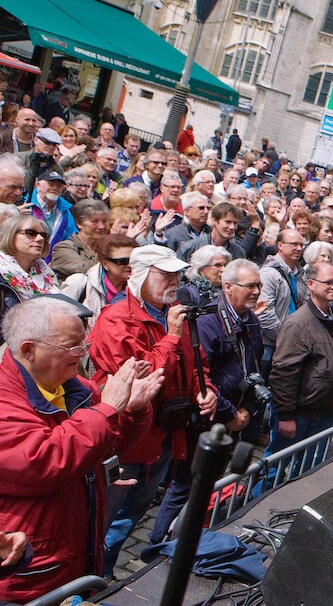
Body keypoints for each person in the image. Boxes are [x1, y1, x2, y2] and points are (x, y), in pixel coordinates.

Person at [0, 297, 163, 602]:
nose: (83, 353)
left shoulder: (79, 388)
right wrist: (107, 410)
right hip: (31, 569)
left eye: (83, 343)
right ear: (29, 350)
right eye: (72, 346)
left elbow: (106, 447)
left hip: (76, 547)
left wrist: (131, 411)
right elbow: (43, 462)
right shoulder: (4, 403)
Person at [86, 245, 218, 575]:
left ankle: (105, 571)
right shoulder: (116, 318)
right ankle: (93, 576)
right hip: (128, 438)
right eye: (165, 274)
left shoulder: (173, 312)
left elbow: (196, 362)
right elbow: (139, 378)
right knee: (108, 517)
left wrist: (206, 390)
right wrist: (171, 337)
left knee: (134, 511)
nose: (174, 282)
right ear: (140, 274)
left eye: (177, 275)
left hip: (164, 433)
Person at [148, 259, 264, 544]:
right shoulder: (206, 322)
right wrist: (230, 414)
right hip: (206, 420)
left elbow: (255, 368)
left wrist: (248, 410)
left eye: (259, 285)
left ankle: (189, 536)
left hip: (234, 417)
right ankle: (158, 543)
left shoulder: (250, 319)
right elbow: (199, 378)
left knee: (209, 483)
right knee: (185, 486)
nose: (256, 291)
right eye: (250, 286)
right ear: (228, 286)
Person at [264, 262, 333, 475]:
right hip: (299, 414)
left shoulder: (332, 317)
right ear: (311, 284)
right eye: (328, 282)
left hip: (323, 412)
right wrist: (286, 416)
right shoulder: (298, 324)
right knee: (275, 468)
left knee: (307, 471)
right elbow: (283, 373)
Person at [61, 234, 137, 328]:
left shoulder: (140, 288)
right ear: (105, 263)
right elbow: (60, 320)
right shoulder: (79, 283)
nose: (130, 265)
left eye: (134, 260)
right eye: (122, 261)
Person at [258, 229, 307, 374]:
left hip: (294, 343)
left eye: (301, 245)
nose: (299, 248)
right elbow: (264, 313)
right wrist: (285, 338)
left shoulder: (301, 274)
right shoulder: (267, 273)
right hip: (270, 345)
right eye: (294, 244)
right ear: (280, 245)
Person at [0, 215, 59, 302]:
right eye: (31, 233)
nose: (40, 239)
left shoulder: (45, 270)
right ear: (11, 235)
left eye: (43, 235)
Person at [177, 201, 260, 262]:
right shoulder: (189, 248)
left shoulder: (238, 252)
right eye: (228, 222)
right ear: (214, 221)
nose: (232, 227)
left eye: (235, 223)